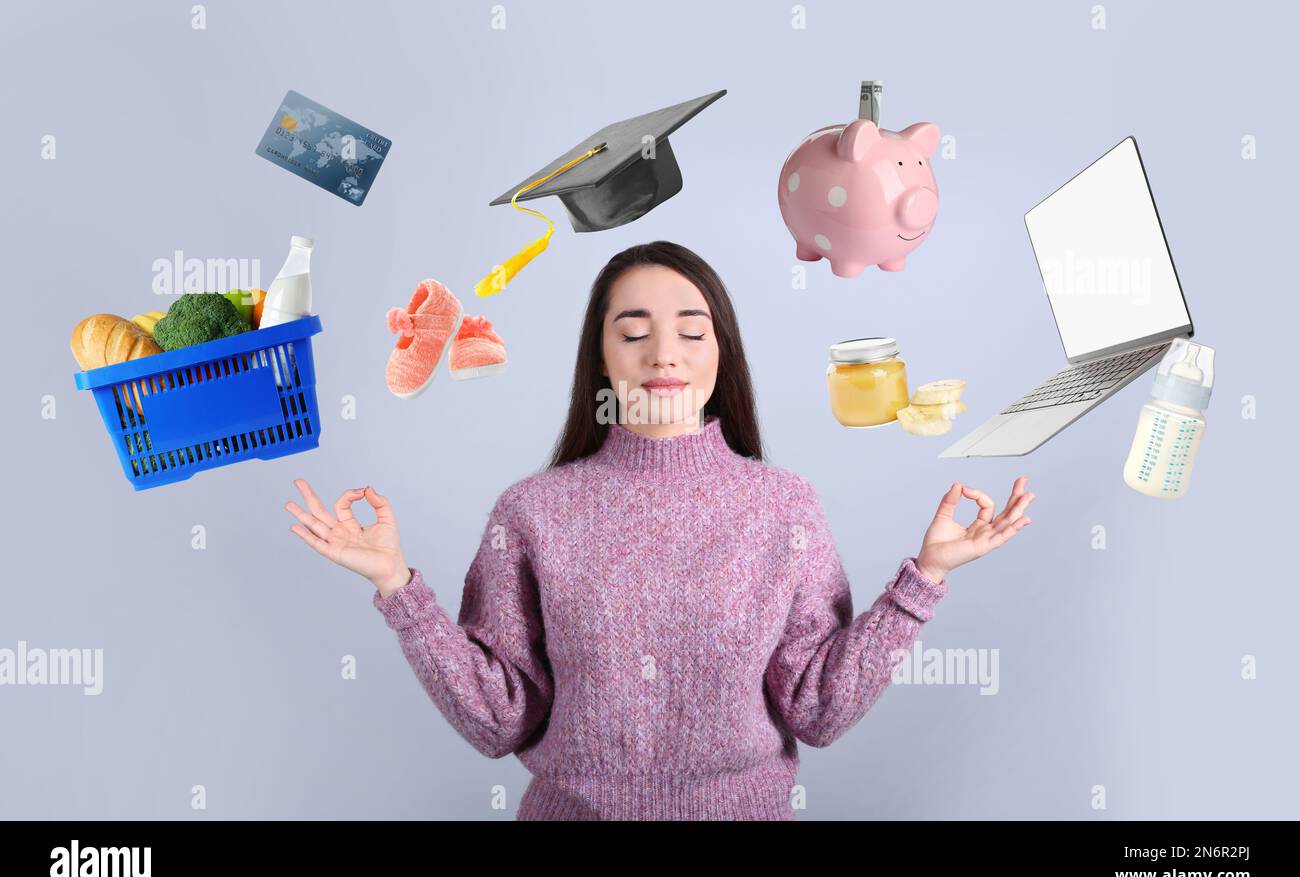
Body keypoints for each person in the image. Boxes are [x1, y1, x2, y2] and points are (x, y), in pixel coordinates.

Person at [286, 241, 1035, 820]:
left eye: (691, 331)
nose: (664, 354)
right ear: (602, 359)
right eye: (634, 332)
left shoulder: (784, 507)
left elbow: (819, 710)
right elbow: (499, 721)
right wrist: (397, 587)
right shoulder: (533, 513)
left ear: (720, 353)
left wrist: (924, 580)